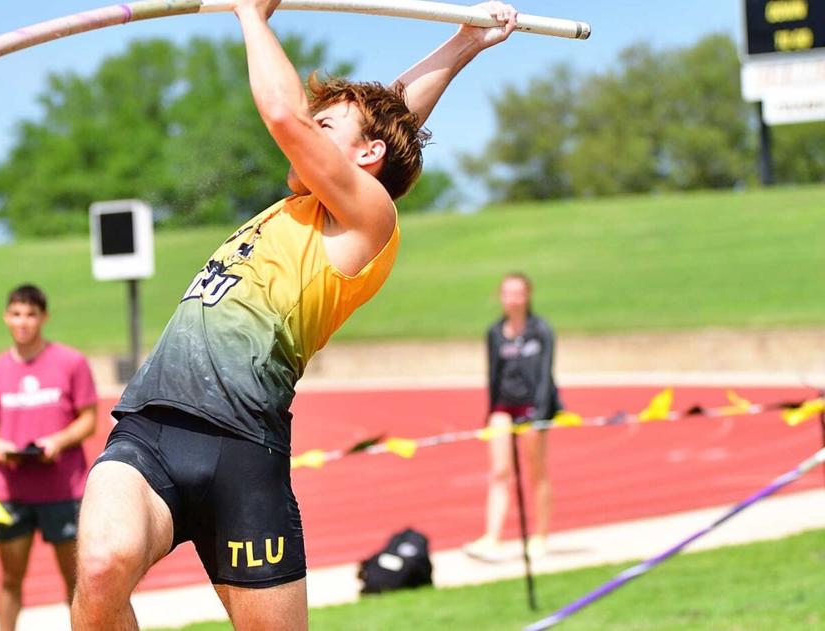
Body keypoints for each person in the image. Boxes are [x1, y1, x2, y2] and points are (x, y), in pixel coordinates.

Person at [71, 2, 520, 628]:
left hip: (242, 450)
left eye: (323, 125)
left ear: (365, 157)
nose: (307, 128)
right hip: (150, 428)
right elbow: (390, 120)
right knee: (100, 568)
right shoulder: (304, 205)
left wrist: (251, 15)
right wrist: (465, 42)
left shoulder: (367, 220)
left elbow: (291, 117)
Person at [0, 284, 98, 631]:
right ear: (6, 317)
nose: (23, 322)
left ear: (44, 317)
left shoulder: (71, 362)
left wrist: (58, 441)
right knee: (10, 579)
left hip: (63, 488)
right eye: (16, 314)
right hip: (12, 491)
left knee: (76, 583)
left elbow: (88, 420)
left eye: (31, 314)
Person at [463, 272, 561, 562]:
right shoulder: (495, 333)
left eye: (518, 293)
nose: (513, 299)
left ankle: (540, 536)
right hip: (504, 407)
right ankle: (492, 537)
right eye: (507, 293)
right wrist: (490, 412)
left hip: (533, 408)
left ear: (527, 295)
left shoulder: (541, 330)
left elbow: (545, 374)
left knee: (536, 470)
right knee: (499, 471)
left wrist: (541, 414)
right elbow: (493, 375)